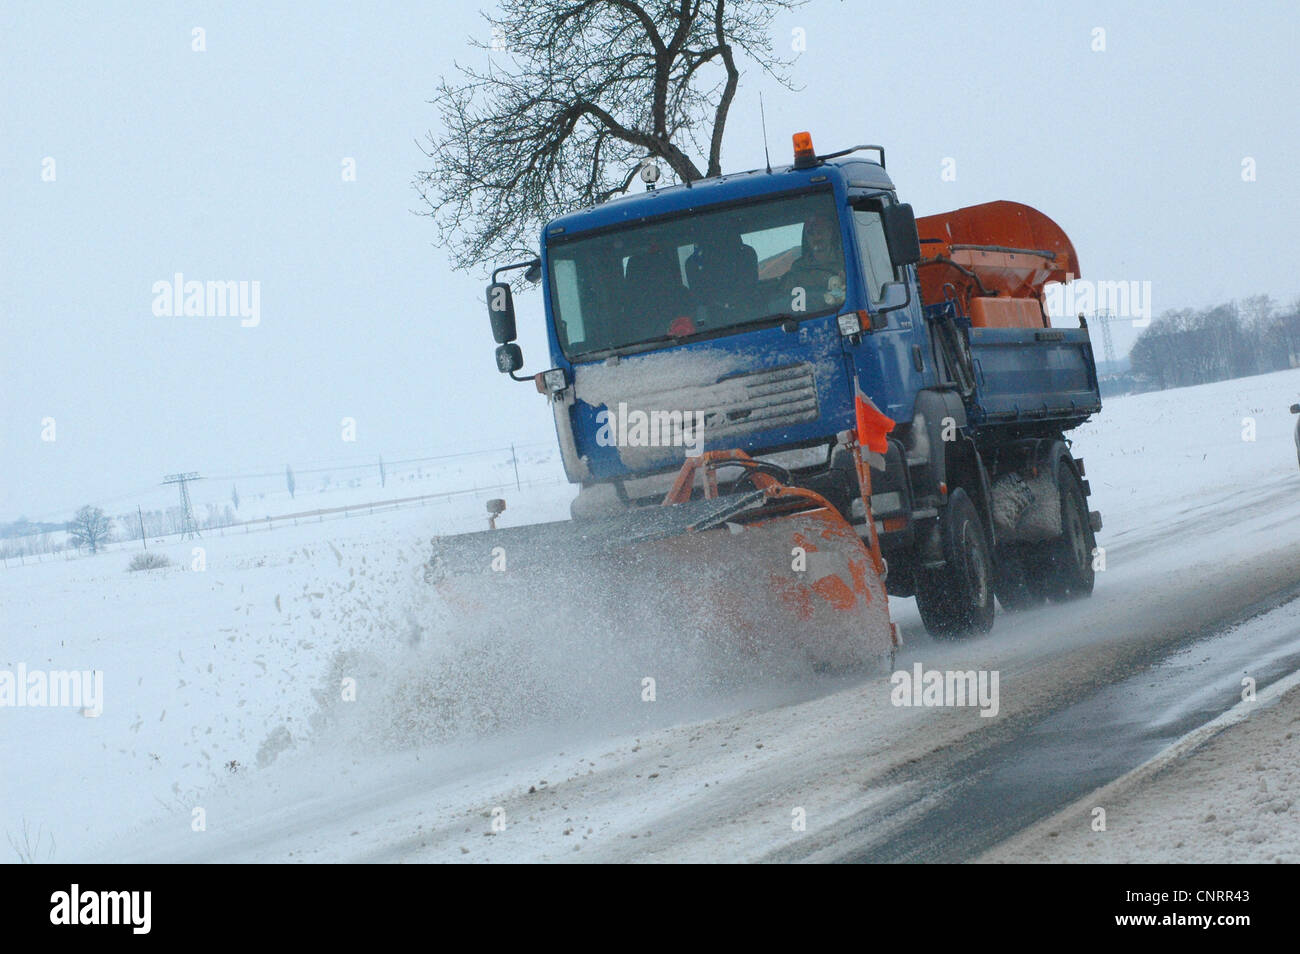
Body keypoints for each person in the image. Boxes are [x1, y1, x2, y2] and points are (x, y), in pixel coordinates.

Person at [780, 210, 846, 309]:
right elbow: (788, 302)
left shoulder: (846, 262)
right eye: (811, 232)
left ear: (830, 231)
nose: (816, 237)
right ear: (806, 236)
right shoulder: (798, 267)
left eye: (820, 231)